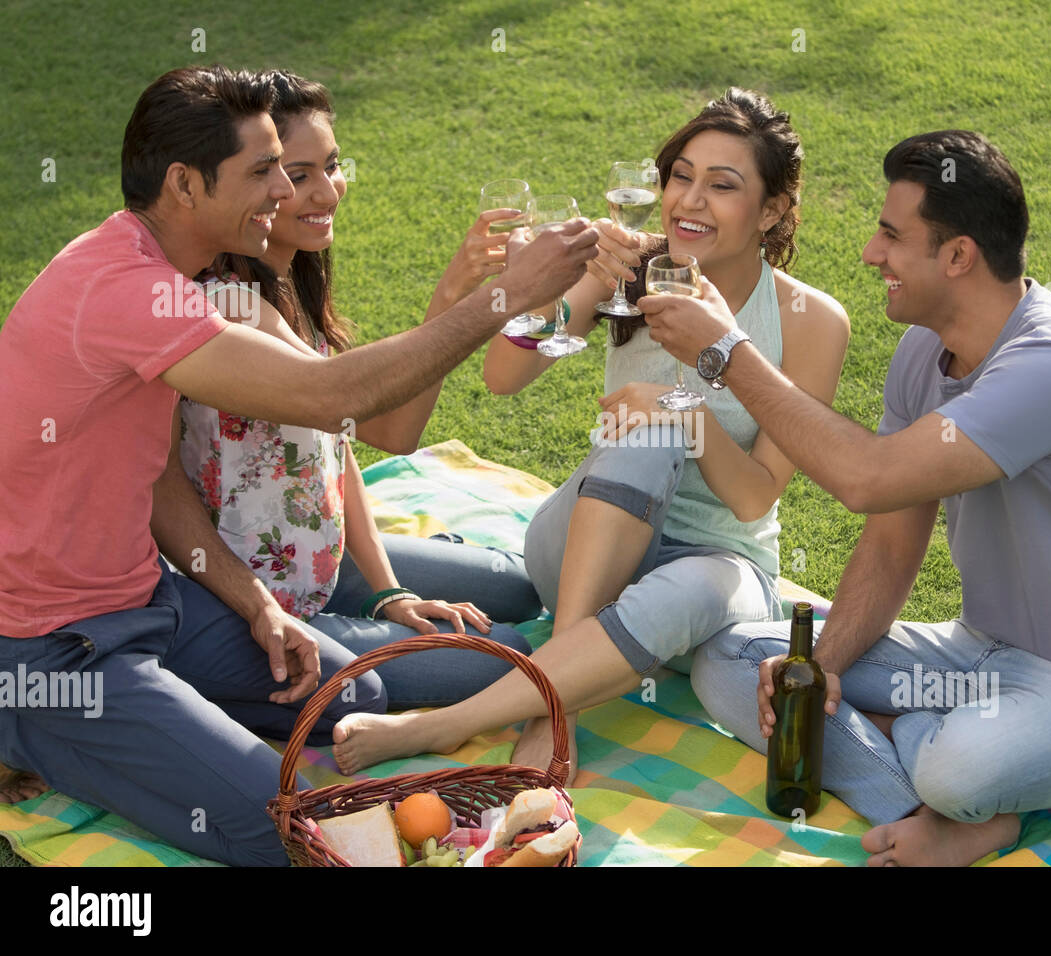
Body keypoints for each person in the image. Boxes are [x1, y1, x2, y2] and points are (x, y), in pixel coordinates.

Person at [0, 65, 597, 864]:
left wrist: (254, 603)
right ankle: (40, 725)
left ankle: (120, 733)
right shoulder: (128, 291)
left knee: (358, 691)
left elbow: (152, 477)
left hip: (151, 599)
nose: (286, 190)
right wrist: (502, 297)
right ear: (183, 184)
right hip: (57, 645)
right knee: (283, 826)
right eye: (264, 171)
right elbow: (331, 396)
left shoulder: (164, 271)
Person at [642, 130, 1051, 866]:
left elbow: (865, 476)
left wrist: (726, 353)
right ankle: (937, 815)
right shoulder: (925, 351)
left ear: (959, 256)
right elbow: (889, 539)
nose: (872, 255)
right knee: (739, 664)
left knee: (958, 768)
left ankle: (932, 771)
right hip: (977, 656)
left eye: (890, 235)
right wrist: (829, 665)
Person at [330, 88, 852, 782]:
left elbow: (755, 499)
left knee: (665, 426)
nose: (689, 201)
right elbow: (504, 375)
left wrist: (682, 410)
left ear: (775, 209)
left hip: (717, 570)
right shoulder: (629, 262)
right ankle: (564, 685)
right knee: (648, 434)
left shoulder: (810, 320)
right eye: (681, 176)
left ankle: (455, 723)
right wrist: (576, 288)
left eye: (722, 186)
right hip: (583, 553)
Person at [167, 71, 542, 713]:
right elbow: (351, 407)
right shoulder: (223, 302)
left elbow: (359, 442)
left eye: (330, 168)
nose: (321, 192)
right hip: (250, 597)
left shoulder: (290, 286)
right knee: (511, 656)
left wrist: (389, 593)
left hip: (319, 557)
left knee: (519, 587)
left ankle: (372, 612)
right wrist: (488, 302)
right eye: (293, 173)